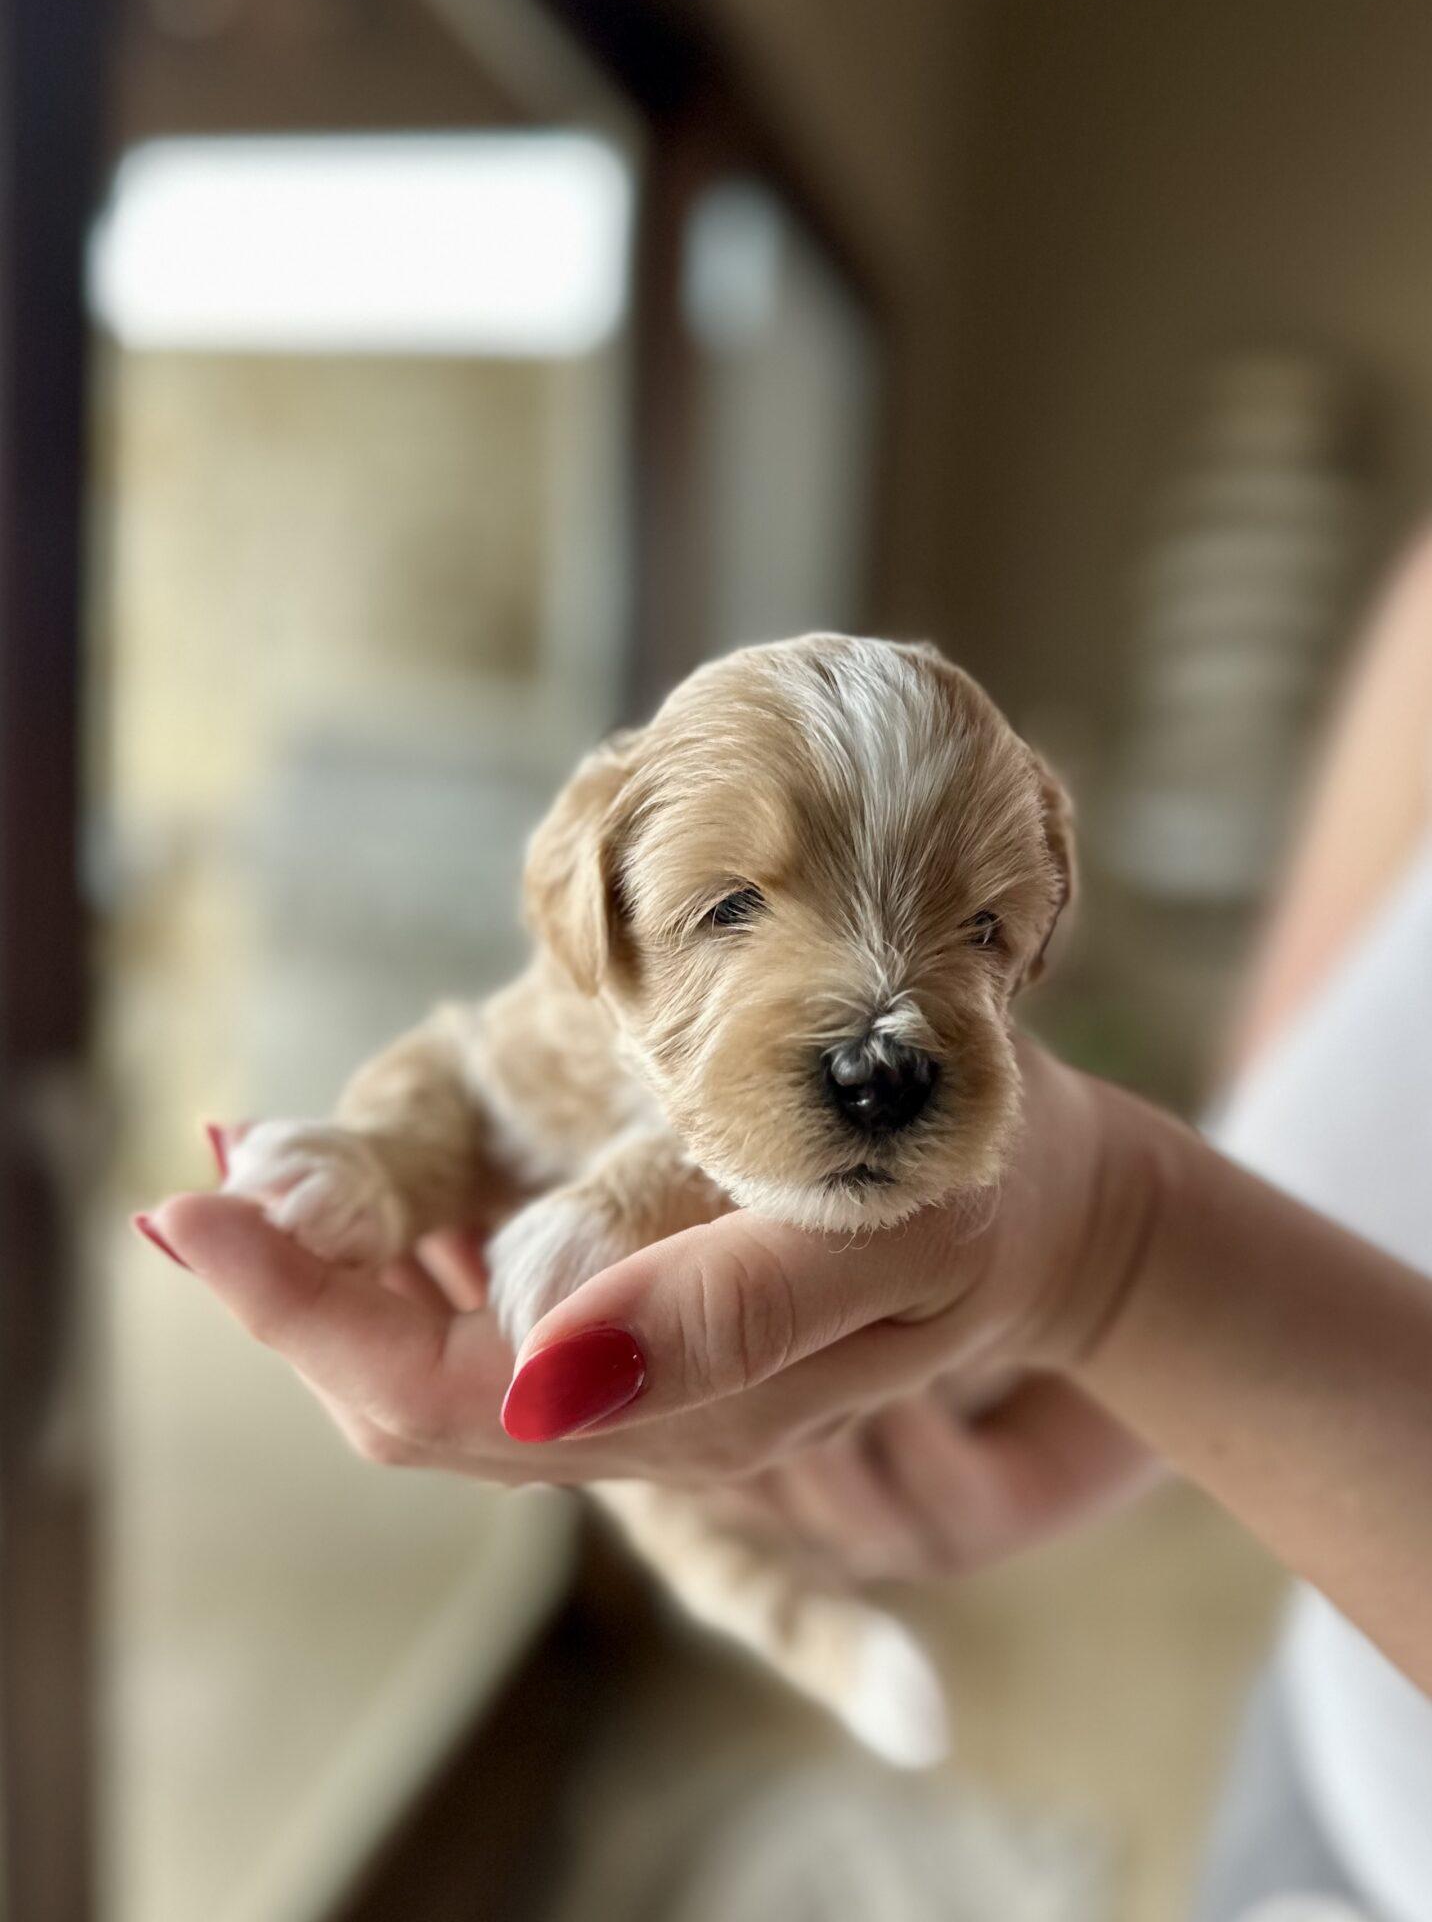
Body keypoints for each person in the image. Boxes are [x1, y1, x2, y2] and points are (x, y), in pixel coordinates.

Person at [137, 539, 1432, 1919]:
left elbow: (1152, 1220)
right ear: (593, 905)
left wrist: (1119, 1255)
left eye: (982, 931)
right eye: (734, 905)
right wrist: (1148, 1391)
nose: (885, 1037)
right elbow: (1290, 1125)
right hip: (1338, 1723)